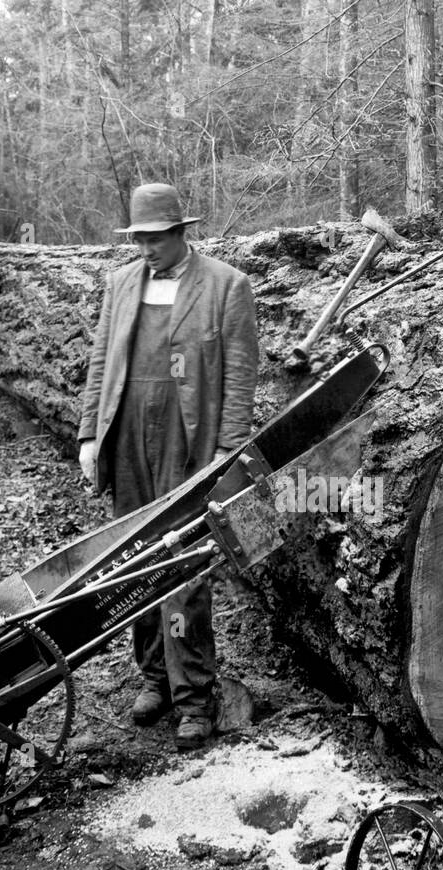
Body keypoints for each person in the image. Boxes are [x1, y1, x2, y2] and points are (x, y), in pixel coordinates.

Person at [78, 183, 258, 750]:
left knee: (183, 566)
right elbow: (101, 361)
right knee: (134, 560)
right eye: (139, 239)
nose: (147, 248)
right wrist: (89, 435)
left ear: (183, 233)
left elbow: (240, 376)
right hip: (129, 437)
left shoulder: (226, 286)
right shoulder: (122, 284)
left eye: (156, 238)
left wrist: (228, 451)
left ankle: (194, 700)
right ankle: (154, 679)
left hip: (189, 442)